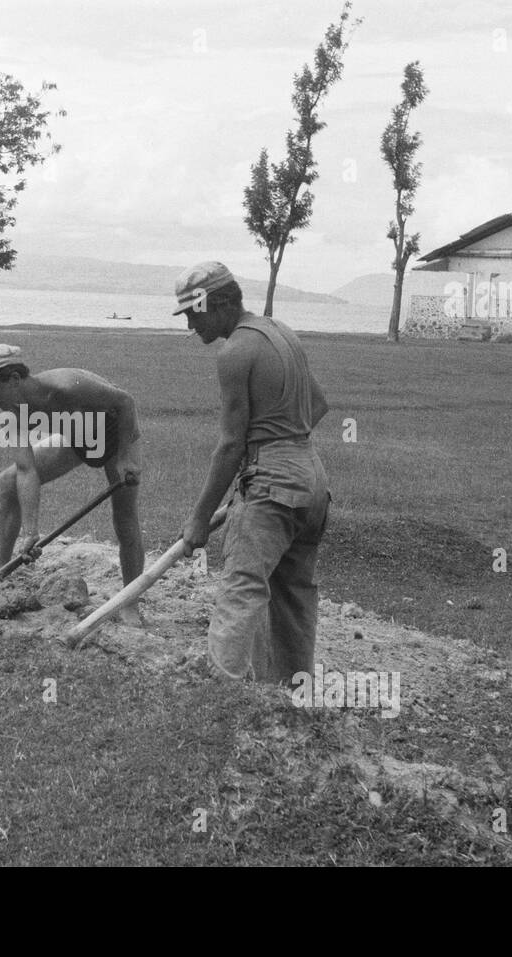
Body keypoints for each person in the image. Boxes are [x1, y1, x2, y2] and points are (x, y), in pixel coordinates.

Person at [175, 262, 331, 683]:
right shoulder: (280, 332)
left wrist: (198, 519)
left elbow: (230, 445)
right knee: (293, 594)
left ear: (221, 303)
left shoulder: (235, 352)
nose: (190, 323)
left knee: (240, 590)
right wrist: (280, 451)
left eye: (194, 311)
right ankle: (293, 700)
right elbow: (317, 405)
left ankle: (223, 700)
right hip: (312, 480)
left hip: (272, 485)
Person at [0, 343, 144, 585]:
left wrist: (125, 457)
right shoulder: (13, 414)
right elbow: (26, 469)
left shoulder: (68, 386)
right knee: (8, 482)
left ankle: (130, 603)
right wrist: (30, 533)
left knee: (124, 519)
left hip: (117, 438)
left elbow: (125, 402)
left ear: (15, 379)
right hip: (77, 437)